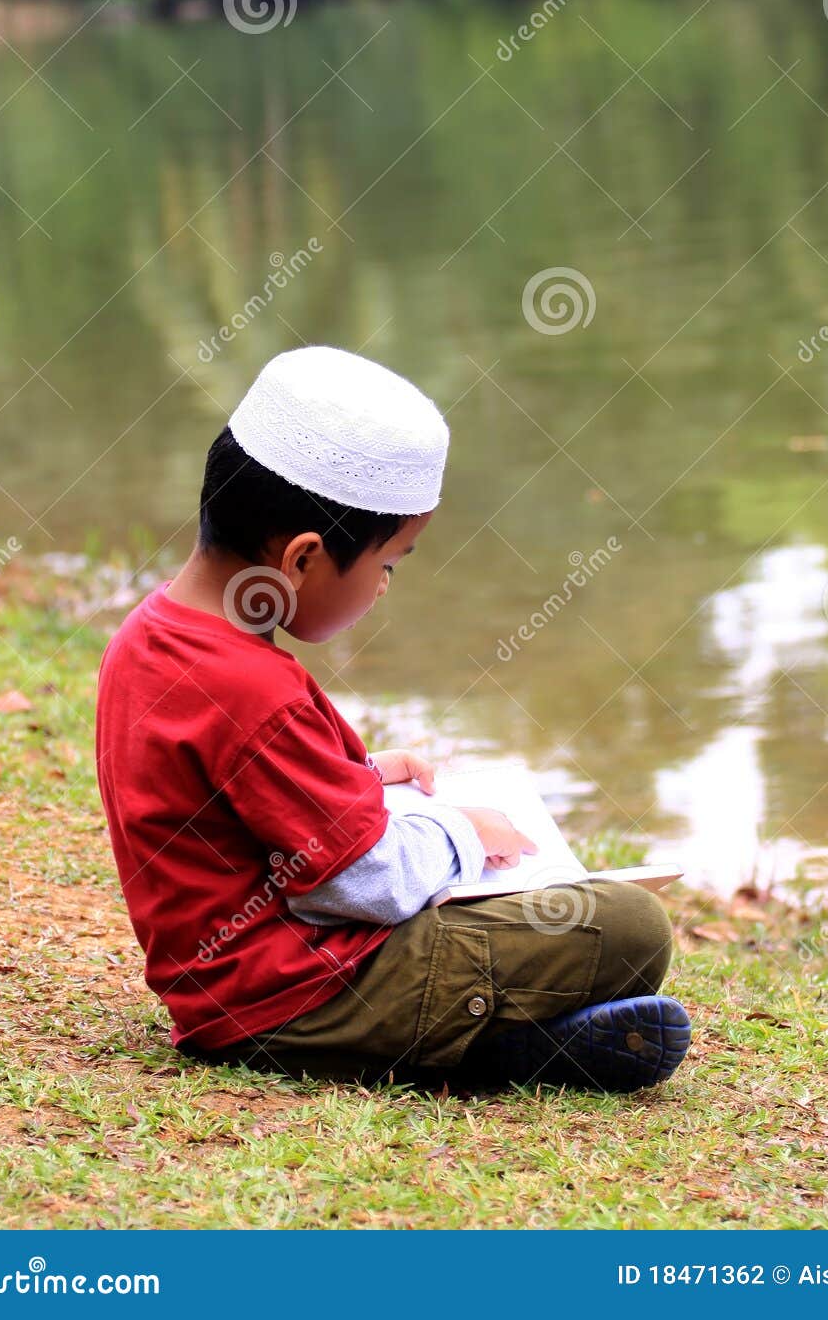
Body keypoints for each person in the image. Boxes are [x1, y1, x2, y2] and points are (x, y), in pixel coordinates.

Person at [95, 345, 690, 1091]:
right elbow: (357, 882)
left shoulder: (155, 635)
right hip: (294, 995)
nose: (383, 588)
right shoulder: (248, 686)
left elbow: (233, 792)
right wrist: (464, 832)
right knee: (627, 927)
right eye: (389, 563)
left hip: (231, 984)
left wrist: (363, 778)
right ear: (303, 558)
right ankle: (486, 1053)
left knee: (590, 922)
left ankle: (506, 1042)